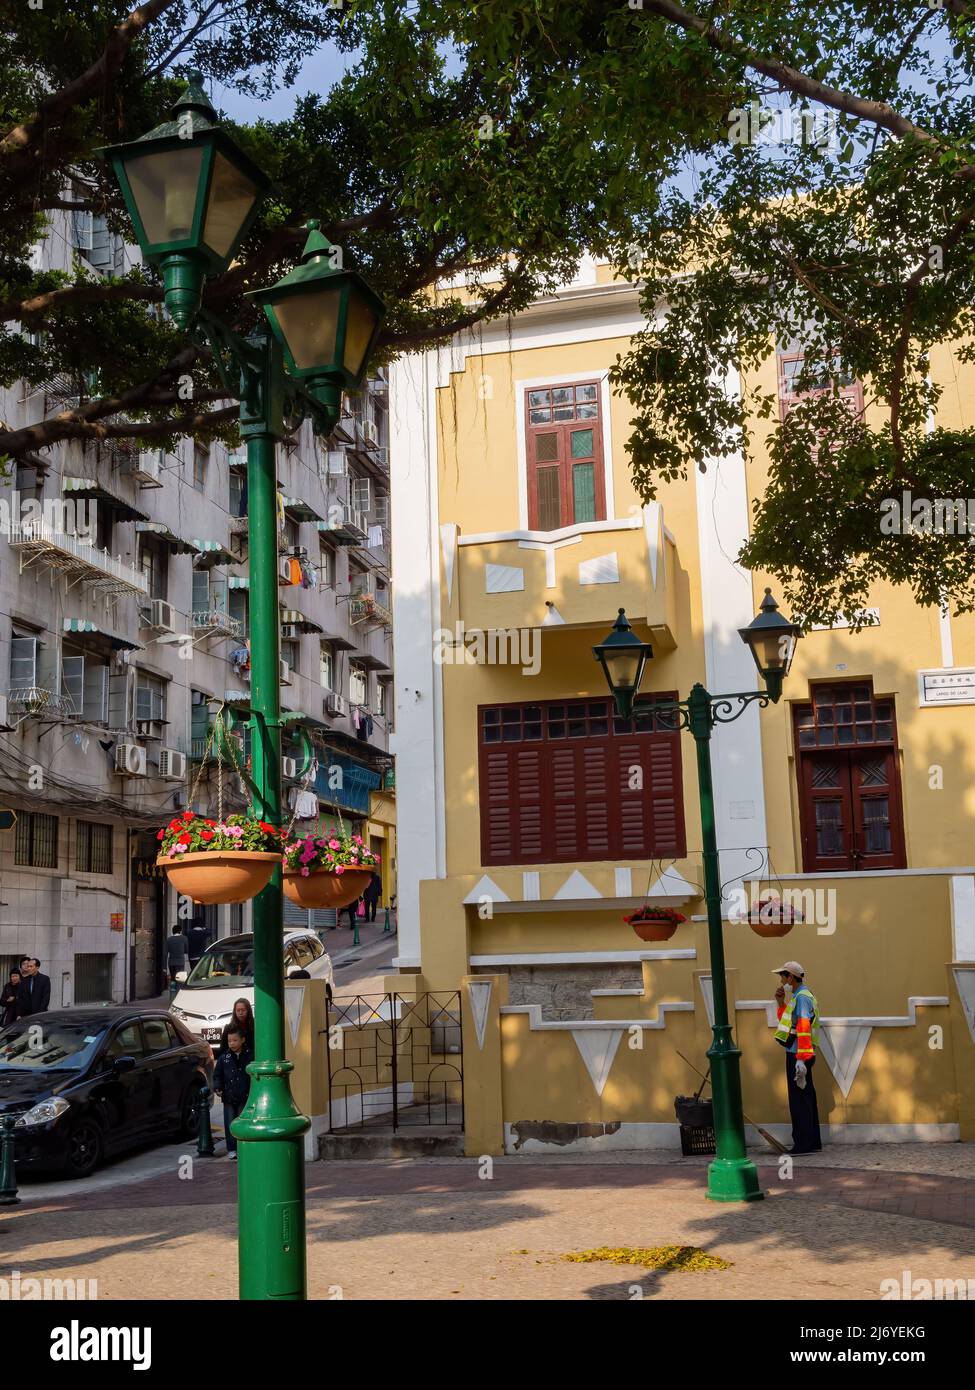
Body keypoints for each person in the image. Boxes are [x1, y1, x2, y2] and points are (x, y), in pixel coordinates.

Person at [773, 959, 822, 1155]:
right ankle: (813, 1141)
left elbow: (802, 1027)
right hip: (802, 1052)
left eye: (783, 976)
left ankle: (803, 1143)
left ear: (791, 977)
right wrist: (780, 1002)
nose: (781, 980)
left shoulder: (802, 998)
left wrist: (800, 1059)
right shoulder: (801, 995)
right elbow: (789, 1023)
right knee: (807, 1096)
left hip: (798, 1054)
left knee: (799, 1099)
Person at [212, 1025, 253, 1161]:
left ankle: (243, 1147)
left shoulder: (250, 1055)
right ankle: (232, 1149)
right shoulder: (224, 1058)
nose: (232, 1043)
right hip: (229, 1096)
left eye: (235, 1040)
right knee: (230, 1123)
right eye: (230, 1041)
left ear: (242, 1040)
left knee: (242, 1122)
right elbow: (217, 1074)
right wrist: (218, 1086)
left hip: (244, 1095)